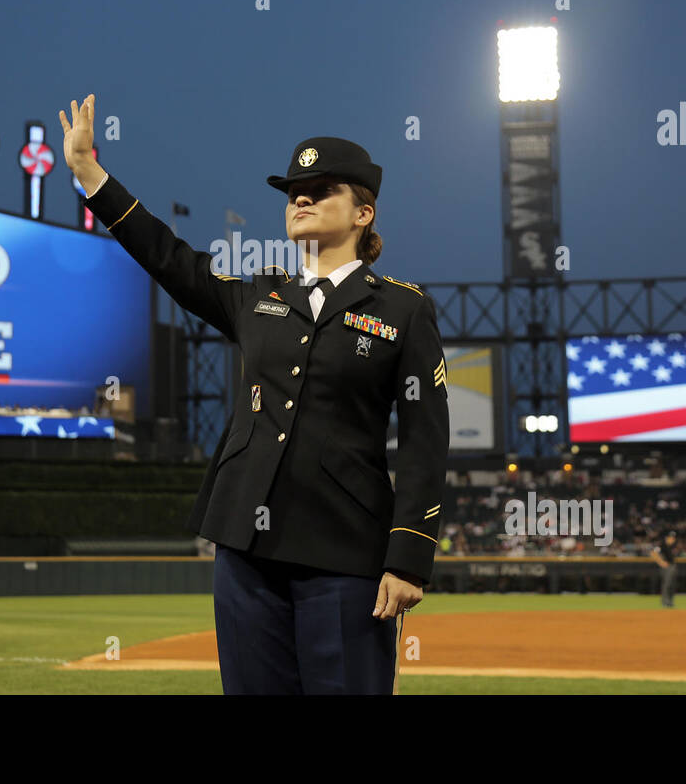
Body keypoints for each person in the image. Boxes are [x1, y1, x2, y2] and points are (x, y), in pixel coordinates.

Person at [60, 95, 450, 694]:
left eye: (321, 189)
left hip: (345, 552)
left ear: (363, 213)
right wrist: (90, 173)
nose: (301, 197)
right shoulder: (259, 297)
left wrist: (408, 557)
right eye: (295, 189)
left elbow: (426, 440)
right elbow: (168, 257)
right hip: (246, 549)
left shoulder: (403, 307)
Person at [652, 530, 679, 607]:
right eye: (671, 538)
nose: (673, 539)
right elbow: (653, 553)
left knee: (672, 584)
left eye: (673, 538)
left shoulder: (671, 546)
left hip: (673, 566)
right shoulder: (662, 545)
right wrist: (661, 562)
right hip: (667, 567)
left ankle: (670, 601)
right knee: (667, 584)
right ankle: (664, 602)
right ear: (667, 538)